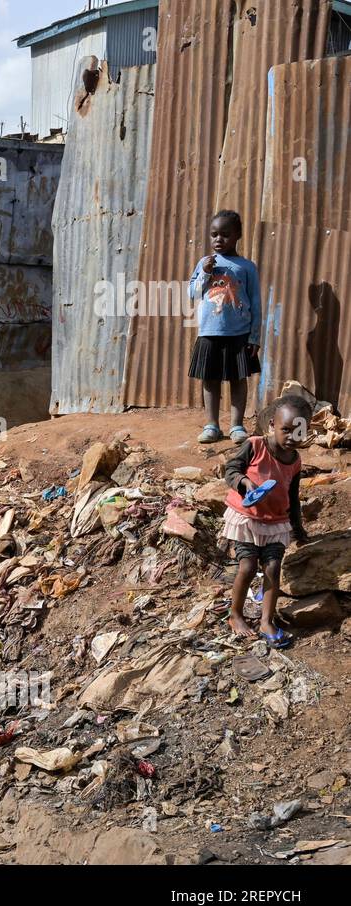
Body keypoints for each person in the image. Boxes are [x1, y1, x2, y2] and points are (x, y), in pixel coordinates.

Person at [222, 394, 310, 647]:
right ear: (272, 424)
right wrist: (244, 482)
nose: (292, 437)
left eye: (299, 432)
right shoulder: (255, 445)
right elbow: (231, 469)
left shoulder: (295, 461)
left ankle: (266, 621)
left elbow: (293, 496)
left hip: (276, 522)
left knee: (272, 568)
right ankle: (235, 615)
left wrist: (298, 529)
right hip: (247, 519)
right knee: (248, 567)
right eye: (286, 430)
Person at [188, 210, 264, 444]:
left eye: (225, 234)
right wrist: (205, 273)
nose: (218, 239)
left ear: (238, 235)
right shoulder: (204, 263)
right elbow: (193, 293)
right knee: (210, 379)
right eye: (214, 235)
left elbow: (256, 303)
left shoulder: (247, 267)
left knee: (238, 379)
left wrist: (254, 337)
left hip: (239, 333)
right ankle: (212, 425)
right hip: (209, 332)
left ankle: (237, 426)